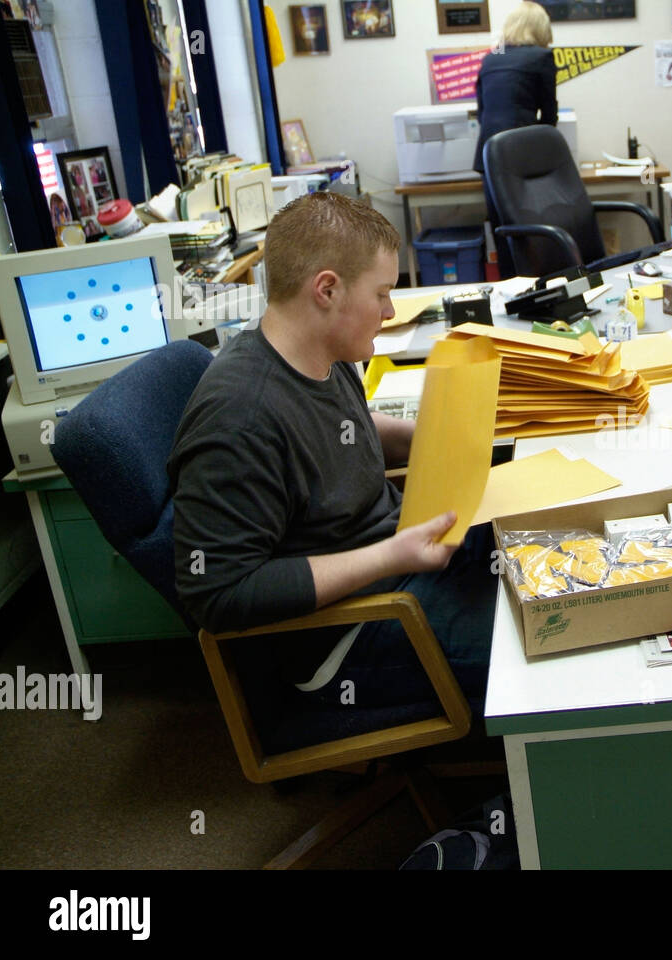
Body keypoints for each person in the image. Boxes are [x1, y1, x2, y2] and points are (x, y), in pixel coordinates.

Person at [168, 192, 495, 715]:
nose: (389, 312)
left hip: (397, 566)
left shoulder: (324, 350)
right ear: (327, 289)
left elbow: (348, 425)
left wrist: (425, 435)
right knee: (539, 650)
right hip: (346, 637)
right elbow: (219, 594)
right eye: (383, 294)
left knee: (542, 562)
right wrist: (392, 555)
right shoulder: (239, 419)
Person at [472, 1, 558, 174]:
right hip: (522, 150)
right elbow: (549, 114)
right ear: (541, 28)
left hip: (489, 151)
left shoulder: (490, 59)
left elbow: (481, 113)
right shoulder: (542, 56)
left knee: (498, 201)